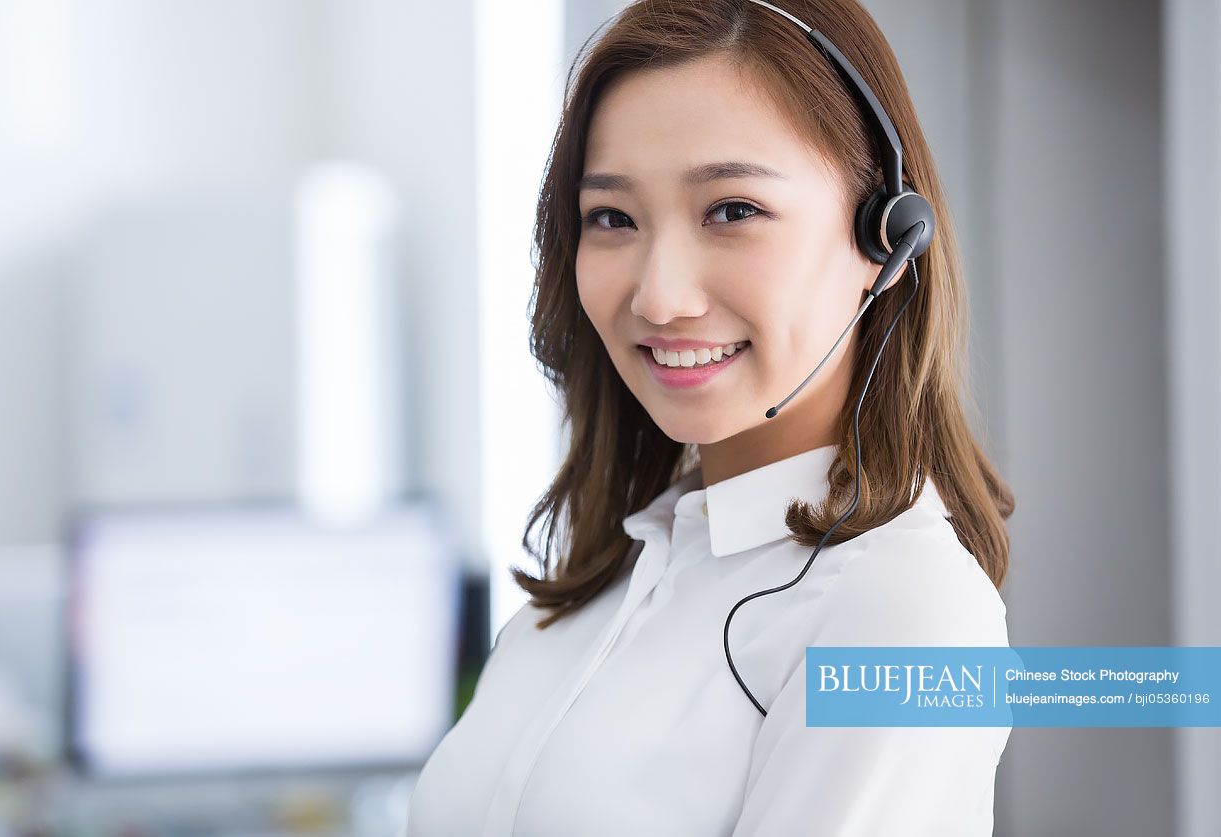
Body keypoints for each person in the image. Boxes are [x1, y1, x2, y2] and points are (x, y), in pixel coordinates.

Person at [403, 0, 1015, 834]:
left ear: (885, 236)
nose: (658, 295)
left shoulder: (901, 613)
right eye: (611, 218)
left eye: (731, 210)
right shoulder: (605, 580)